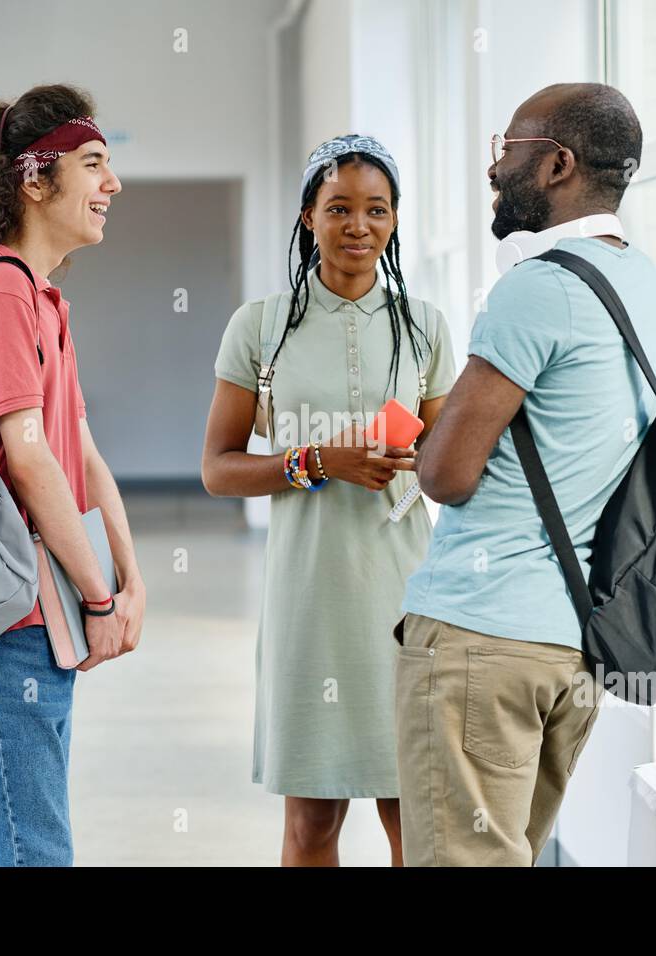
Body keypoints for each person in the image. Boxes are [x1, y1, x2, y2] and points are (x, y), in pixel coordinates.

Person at [396, 83, 656, 866]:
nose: (496, 169)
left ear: (557, 164)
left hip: (481, 637)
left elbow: (447, 476)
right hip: (575, 646)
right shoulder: (643, 284)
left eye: (509, 149)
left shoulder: (533, 287)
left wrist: (427, 441)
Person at [202, 134, 456, 866]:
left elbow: (448, 463)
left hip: (408, 596)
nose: (358, 226)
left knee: (417, 819)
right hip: (308, 599)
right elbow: (218, 469)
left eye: (376, 209)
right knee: (313, 823)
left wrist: (419, 456)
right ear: (308, 215)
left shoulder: (425, 326)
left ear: (396, 220)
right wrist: (318, 461)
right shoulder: (259, 327)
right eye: (338, 207)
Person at [0, 82, 147, 866]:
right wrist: (99, 594)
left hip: (31, 625)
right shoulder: (1, 288)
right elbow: (29, 456)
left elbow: (81, 451)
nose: (111, 184)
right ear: (34, 178)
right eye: (93, 163)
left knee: (26, 848)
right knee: (29, 854)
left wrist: (126, 577)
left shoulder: (42, 297)